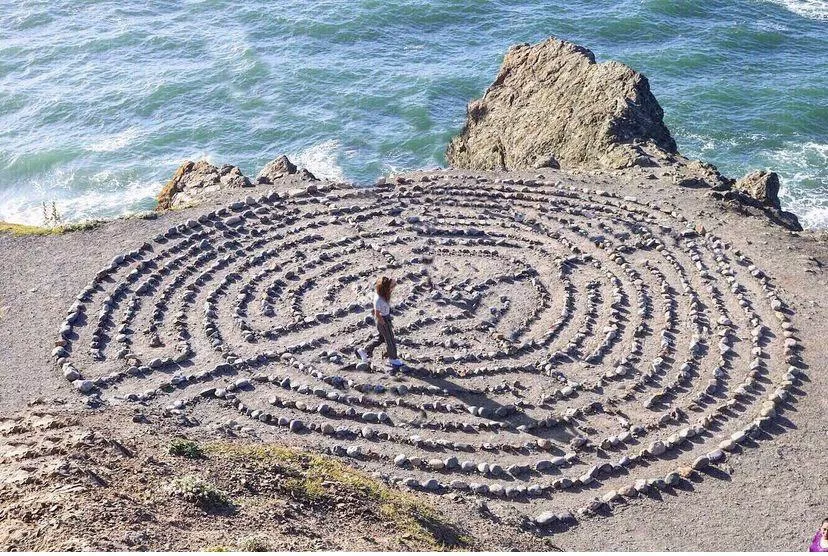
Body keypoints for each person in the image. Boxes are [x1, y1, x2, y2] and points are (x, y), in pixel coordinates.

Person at [357, 276, 402, 367]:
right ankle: (393, 359)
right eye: (392, 286)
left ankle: (364, 350)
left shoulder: (384, 295)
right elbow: (377, 313)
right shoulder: (379, 300)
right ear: (386, 287)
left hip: (385, 318)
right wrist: (384, 323)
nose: (394, 287)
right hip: (383, 320)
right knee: (390, 339)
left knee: (381, 338)